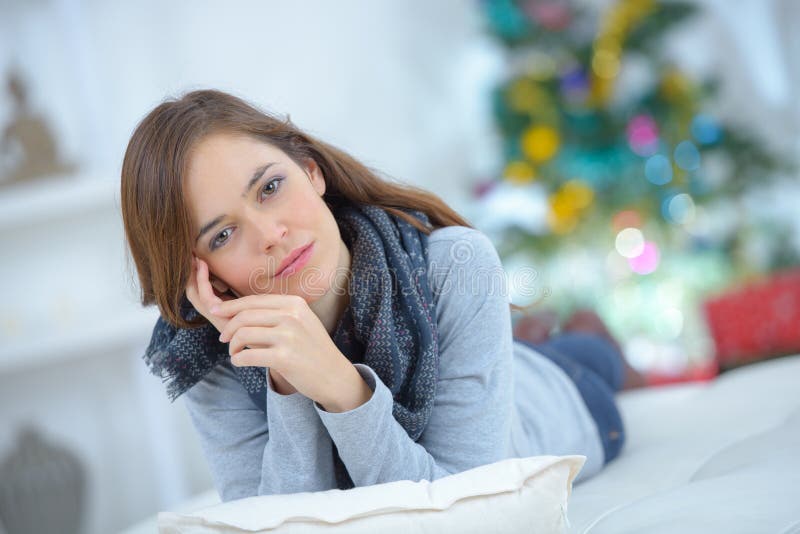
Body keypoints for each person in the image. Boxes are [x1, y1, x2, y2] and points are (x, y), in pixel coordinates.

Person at [121, 89, 645, 502]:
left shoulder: (453, 263)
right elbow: (275, 522)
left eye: (270, 188)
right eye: (222, 235)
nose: (271, 234)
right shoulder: (204, 350)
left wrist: (341, 388)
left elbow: (460, 510)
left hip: (556, 398)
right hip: (494, 380)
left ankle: (577, 334)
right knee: (525, 344)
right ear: (204, 275)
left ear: (310, 170)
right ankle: (535, 334)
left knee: (590, 357)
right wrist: (284, 375)